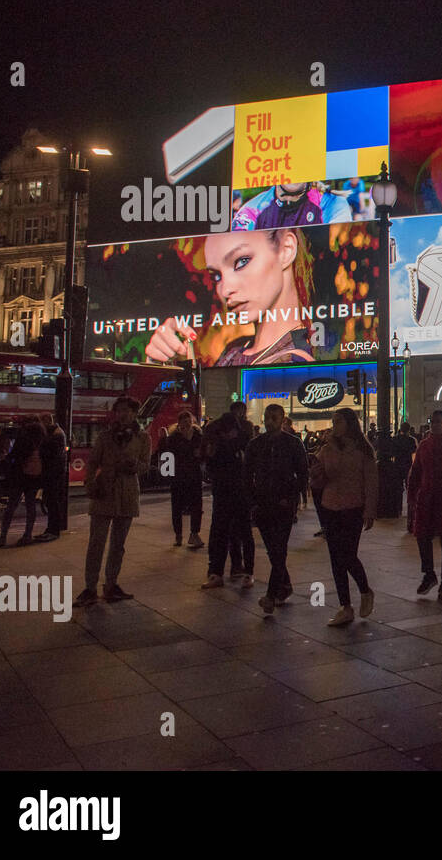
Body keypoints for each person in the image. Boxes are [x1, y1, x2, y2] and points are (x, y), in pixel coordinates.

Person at [144, 228, 317, 367]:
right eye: (216, 276)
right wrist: (168, 361)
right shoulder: (236, 351)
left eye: (242, 261)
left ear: (286, 250)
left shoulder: (295, 360)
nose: (225, 290)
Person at [75, 398, 151, 607]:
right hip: (104, 491)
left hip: (127, 493)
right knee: (96, 543)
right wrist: (90, 483)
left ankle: (111, 584)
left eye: (126, 411)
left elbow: (146, 465)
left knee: (118, 545)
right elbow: (92, 462)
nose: (122, 414)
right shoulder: (105, 436)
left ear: (134, 413)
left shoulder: (143, 438)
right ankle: (90, 587)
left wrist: (135, 465)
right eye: (119, 411)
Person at [313, 407, 378, 625]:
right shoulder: (327, 448)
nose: (335, 425)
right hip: (330, 506)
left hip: (353, 507)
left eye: (339, 421)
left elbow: (370, 481)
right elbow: (319, 476)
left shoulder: (363, 450)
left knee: (348, 555)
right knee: (335, 558)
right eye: (333, 421)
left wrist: (370, 510)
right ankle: (345, 606)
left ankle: (365, 590)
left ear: (350, 424)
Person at [246, 404, 309, 616]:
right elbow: (247, 475)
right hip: (263, 503)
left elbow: (302, 474)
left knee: (278, 548)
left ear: (282, 420)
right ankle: (285, 586)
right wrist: (253, 501)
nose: (269, 421)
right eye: (267, 417)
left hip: (283, 504)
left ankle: (271, 595)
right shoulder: (256, 445)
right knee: (274, 550)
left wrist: (291, 498)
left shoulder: (293, 444)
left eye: (274, 417)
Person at [407, 410, 442, 598]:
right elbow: (416, 471)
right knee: (422, 536)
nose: (434, 425)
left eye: (438, 422)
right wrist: (413, 494)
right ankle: (429, 573)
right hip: (428, 497)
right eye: (432, 422)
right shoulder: (424, 445)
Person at [200, 412, 255, 589]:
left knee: (239, 533)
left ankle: (244, 571)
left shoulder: (242, 445)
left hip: (237, 494)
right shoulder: (222, 447)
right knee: (224, 533)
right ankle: (219, 572)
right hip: (227, 494)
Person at [0, 417, 45, 548]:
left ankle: (3, 536)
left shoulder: (23, 439)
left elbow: (15, 456)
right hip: (34, 478)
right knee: (31, 506)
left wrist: (5, 459)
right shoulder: (43, 440)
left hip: (20, 477)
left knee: (11, 506)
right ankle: (27, 534)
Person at [163, 410, 204, 548]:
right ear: (179, 424)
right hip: (178, 477)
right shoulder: (173, 438)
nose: (186, 425)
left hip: (194, 476)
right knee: (177, 507)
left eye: (189, 422)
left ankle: (194, 534)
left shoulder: (198, 436)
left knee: (196, 506)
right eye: (183, 422)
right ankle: (178, 535)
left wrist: (200, 455)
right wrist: (168, 476)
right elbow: (167, 457)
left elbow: (204, 455)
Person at [35, 412, 67, 541]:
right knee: (51, 501)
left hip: (53, 474)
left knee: (53, 502)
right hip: (53, 473)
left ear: (47, 421)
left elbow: (49, 454)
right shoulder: (54, 433)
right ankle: (51, 529)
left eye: (41, 422)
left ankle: (53, 531)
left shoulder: (56, 435)